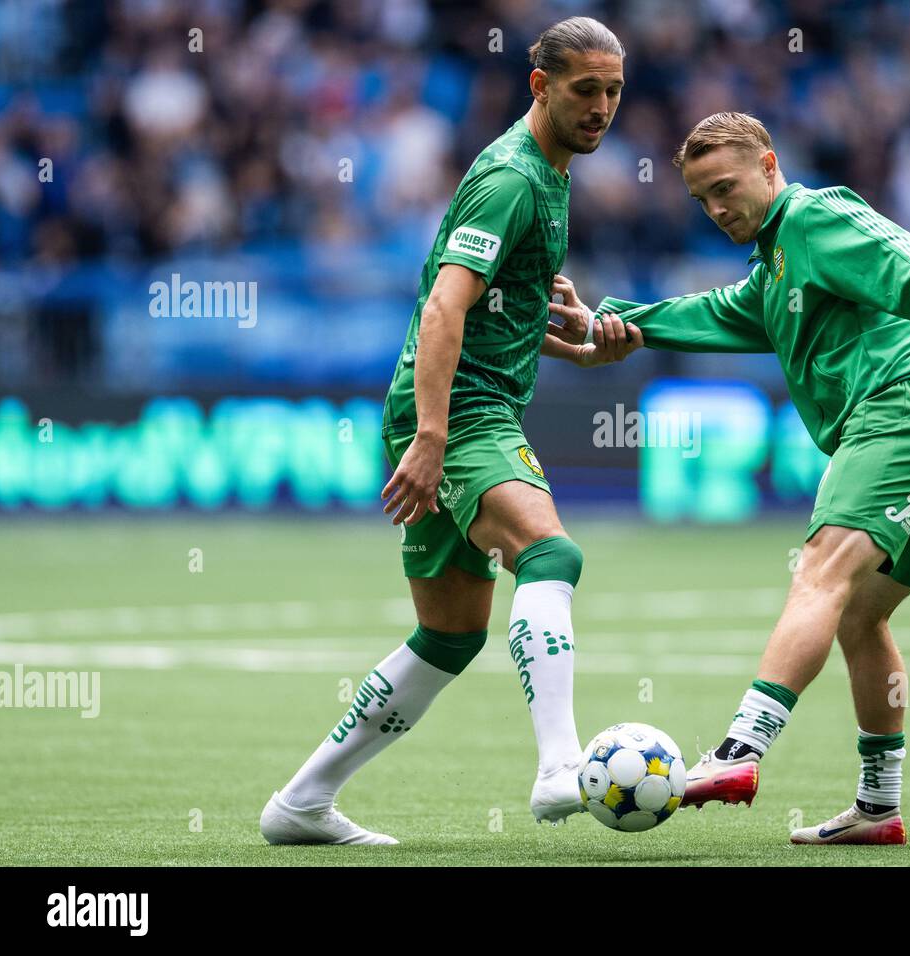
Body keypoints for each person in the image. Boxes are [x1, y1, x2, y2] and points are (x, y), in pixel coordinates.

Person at [546, 112, 910, 846]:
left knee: (817, 577)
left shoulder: (813, 216)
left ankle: (739, 752)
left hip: (901, 418)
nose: (716, 208)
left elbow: (891, 250)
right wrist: (612, 324)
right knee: (860, 617)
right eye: (702, 199)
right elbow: (714, 312)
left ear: (769, 165)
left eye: (726, 188)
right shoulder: (776, 272)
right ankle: (878, 806)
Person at [260, 16, 638, 845]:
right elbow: (443, 306)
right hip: (459, 409)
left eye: (613, 91)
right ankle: (557, 766)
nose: (603, 108)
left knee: (451, 634)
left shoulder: (550, 171)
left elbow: (489, 301)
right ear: (540, 87)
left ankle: (300, 804)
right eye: (585, 91)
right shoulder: (513, 178)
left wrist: (565, 343)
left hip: (457, 405)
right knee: (550, 553)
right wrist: (431, 438)